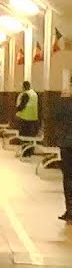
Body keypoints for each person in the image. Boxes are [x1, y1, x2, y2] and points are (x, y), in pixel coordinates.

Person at [54, 89, 72, 222]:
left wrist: (63, 98)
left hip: (67, 144)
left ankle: (70, 211)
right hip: (66, 142)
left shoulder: (65, 104)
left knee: (68, 177)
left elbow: (56, 117)